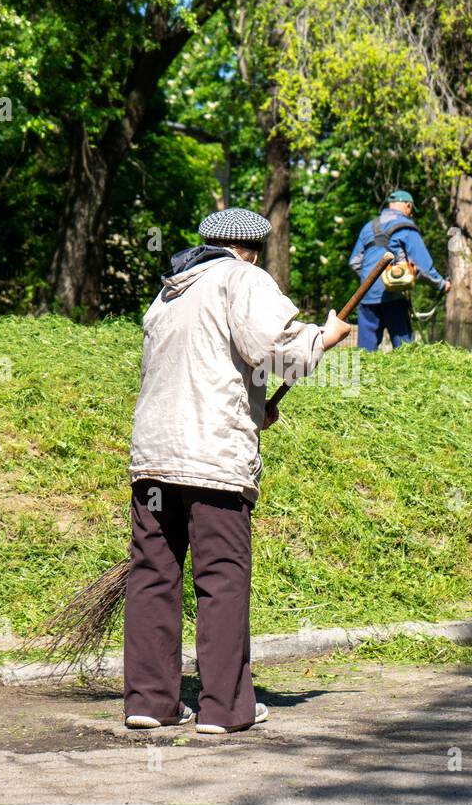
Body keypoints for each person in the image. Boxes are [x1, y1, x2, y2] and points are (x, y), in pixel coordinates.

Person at [125, 207, 351, 734]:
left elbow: (200, 366)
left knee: (154, 576)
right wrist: (325, 337)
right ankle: (225, 709)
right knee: (221, 577)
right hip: (212, 460)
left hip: (155, 457)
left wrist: (256, 406)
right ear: (250, 249)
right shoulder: (241, 278)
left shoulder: (171, 290)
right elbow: (276, 351)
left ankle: (149, 702)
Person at [348, 190, 451, 351]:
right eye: (411, 210)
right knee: (405, 352)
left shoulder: (368, 227)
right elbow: (423, 265)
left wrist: (370, 280)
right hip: (393, 295)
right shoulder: (406, 227)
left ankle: (363, 376)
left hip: (366, 296)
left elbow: (354, 262)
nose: (410, 214)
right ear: (408, 206)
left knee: (364, 354)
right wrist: (442, 284)